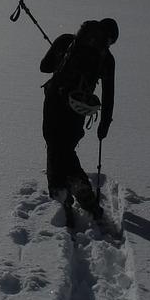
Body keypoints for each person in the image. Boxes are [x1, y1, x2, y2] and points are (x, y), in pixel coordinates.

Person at [40, 17, 117, 220]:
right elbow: (109, 96)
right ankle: (78, 186)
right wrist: (104, 125)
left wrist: (60, 59)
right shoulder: (107, 60)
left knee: (55, 146)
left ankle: (60, 189)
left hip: (55, 99)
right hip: (79, 107)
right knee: (65, 147)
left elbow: (44, 67)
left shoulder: (67, 41)